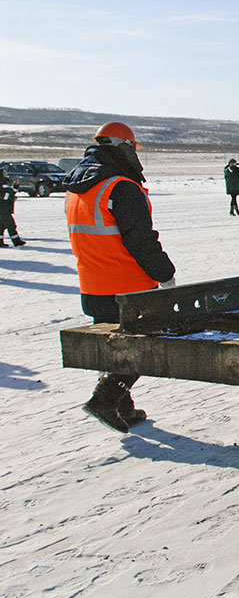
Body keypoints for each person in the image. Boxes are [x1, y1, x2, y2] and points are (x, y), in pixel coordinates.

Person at [66, 122, 176, 433]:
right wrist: (165, 274)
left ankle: (122, 408)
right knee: (139, 349)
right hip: (128, 285)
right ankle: (105, 398)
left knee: (115, 348)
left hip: (92, 285)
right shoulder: (121, 187)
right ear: (124, 148)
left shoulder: (79, 186)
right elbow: (141, 240)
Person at [0, 168, 25, 247]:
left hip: (5, 209)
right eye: (4, 173)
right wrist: (12, 198)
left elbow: (11, 191)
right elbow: (3, 195)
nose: (6, 174)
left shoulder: (5, 182)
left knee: (1, 226)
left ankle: (0, 242)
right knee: (11, 225)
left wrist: (16, 185)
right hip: (3, 209)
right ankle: (17, 242)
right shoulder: (1, 183)